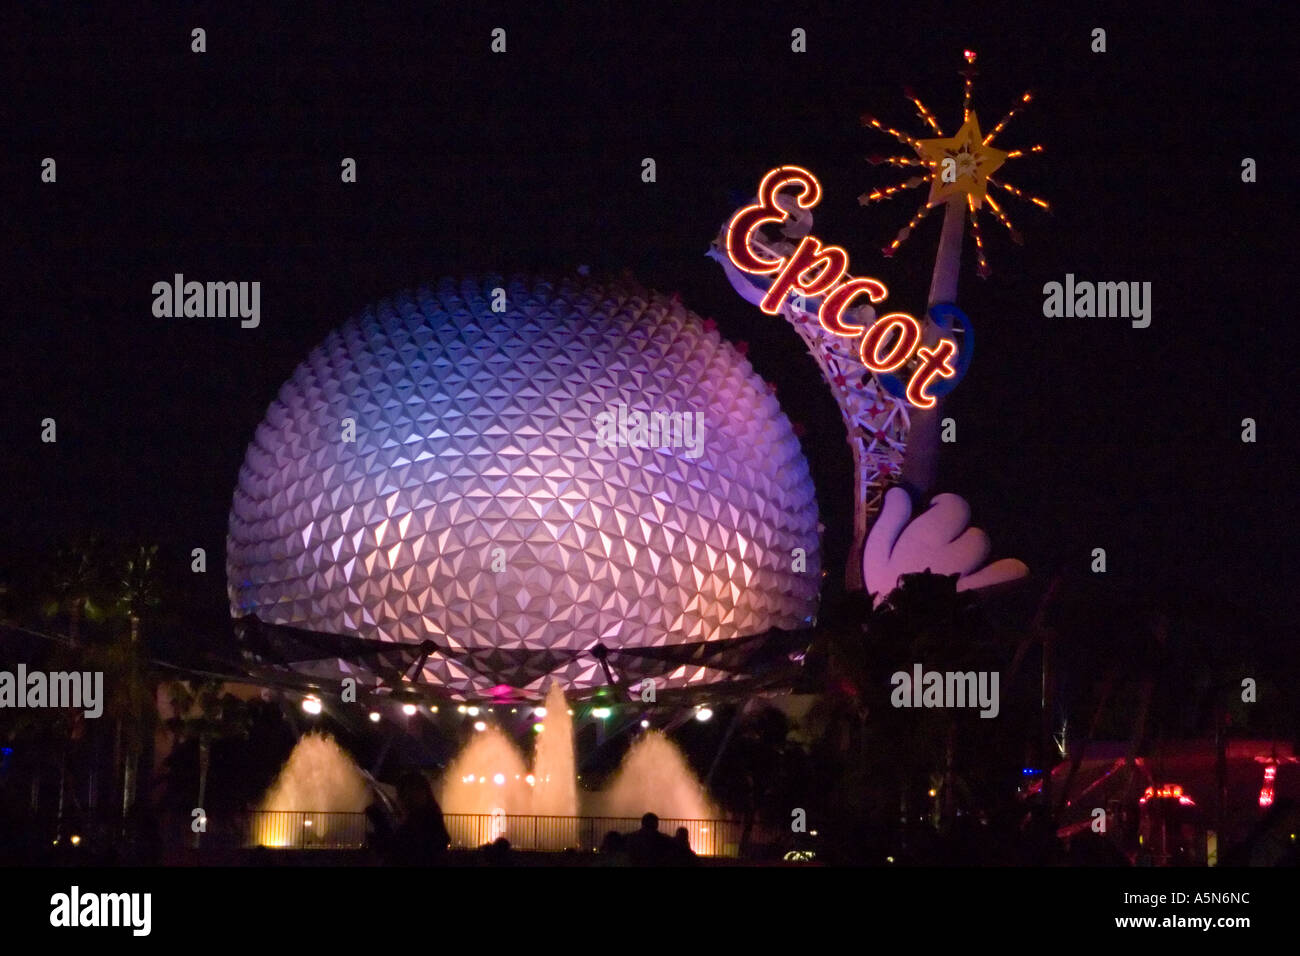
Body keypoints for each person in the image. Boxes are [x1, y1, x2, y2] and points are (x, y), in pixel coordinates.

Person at [383, 771, 451, 865]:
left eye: (404, 794)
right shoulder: (430, 818)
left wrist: (381, 827)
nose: (401, 799)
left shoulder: (420, 822)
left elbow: (400, 854)